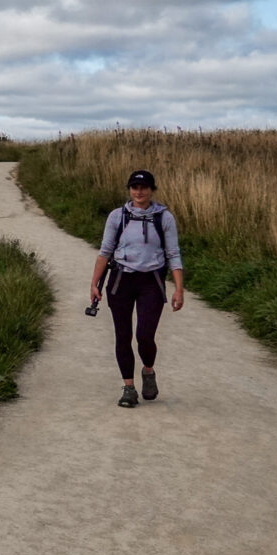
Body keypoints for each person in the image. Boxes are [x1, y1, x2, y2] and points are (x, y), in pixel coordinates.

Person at [88, 169, 184, 407]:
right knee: (123, 335)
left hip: (151, 281)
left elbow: (173, 254)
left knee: (144, 336)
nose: (139, 192)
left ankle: (148, 372)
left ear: (152, 190)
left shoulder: (164, 218)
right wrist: (94, 283)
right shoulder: (117, 216)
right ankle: (128, 388)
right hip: (121, 280)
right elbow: (105, 250)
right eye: (134, 187)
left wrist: (179, 289)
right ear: (129, 190)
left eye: (143, 187)